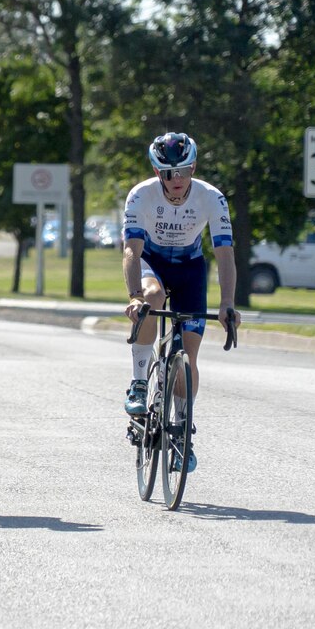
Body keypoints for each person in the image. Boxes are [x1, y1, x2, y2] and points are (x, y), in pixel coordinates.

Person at [121, 132, 241, 474]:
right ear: (157, 173)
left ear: (194, 168)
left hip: (190, 268)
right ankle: (139, 383)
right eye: (168, 173)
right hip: (152, 263)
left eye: (184, 171)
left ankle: (183, 432)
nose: (177, 179)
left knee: (189, 355)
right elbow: (131, 251)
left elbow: (224, 253)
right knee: (152, 298)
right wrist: (135, 296)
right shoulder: (141, 195)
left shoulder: (211, 198)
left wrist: (227, 303)